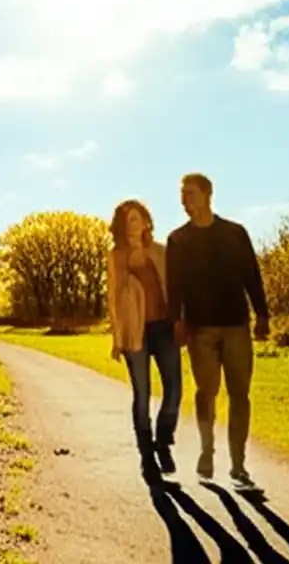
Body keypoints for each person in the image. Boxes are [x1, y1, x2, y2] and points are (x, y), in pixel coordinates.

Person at [166, 173, 270, 493]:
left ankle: (238, 466)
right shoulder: (178, 240)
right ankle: (207, 451)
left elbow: (252, 275)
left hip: (236, 325)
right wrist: (177, 323)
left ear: (208, 195)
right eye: (182, 195)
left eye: (191, 193)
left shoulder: (235, 233)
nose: (185, 200)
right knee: (206, 392)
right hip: (201, 330)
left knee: (240, 395)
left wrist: (262, 314)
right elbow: (174, 286)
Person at [107, 199, 186, 483]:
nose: (132, 225)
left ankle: (163, 441)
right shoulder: (116, 256)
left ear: (145, 222)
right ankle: (147, 456)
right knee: (142, 394)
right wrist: (118, 337)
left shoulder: (161, 252)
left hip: (164, 328)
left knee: (174, 390)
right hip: (135, 331)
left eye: (136, 218)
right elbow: (113, 298)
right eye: (127, 220)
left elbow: (176, 290)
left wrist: (181, 321)